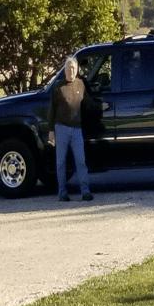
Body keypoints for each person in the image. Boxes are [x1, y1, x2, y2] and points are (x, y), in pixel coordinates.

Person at [47, 56, 93, 202]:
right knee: (60, 163)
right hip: (61, 128)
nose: (70, 71)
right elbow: (51, 110)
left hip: (77, 129)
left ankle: (85, 192)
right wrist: (51, 131)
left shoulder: (81, 84)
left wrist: (100, 107)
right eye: (68, 68)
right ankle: (62, 193)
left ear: (77, 69)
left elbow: (88, 103)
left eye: (73, 68)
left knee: (81, 161)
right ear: (65, 70)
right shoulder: (58, 87)